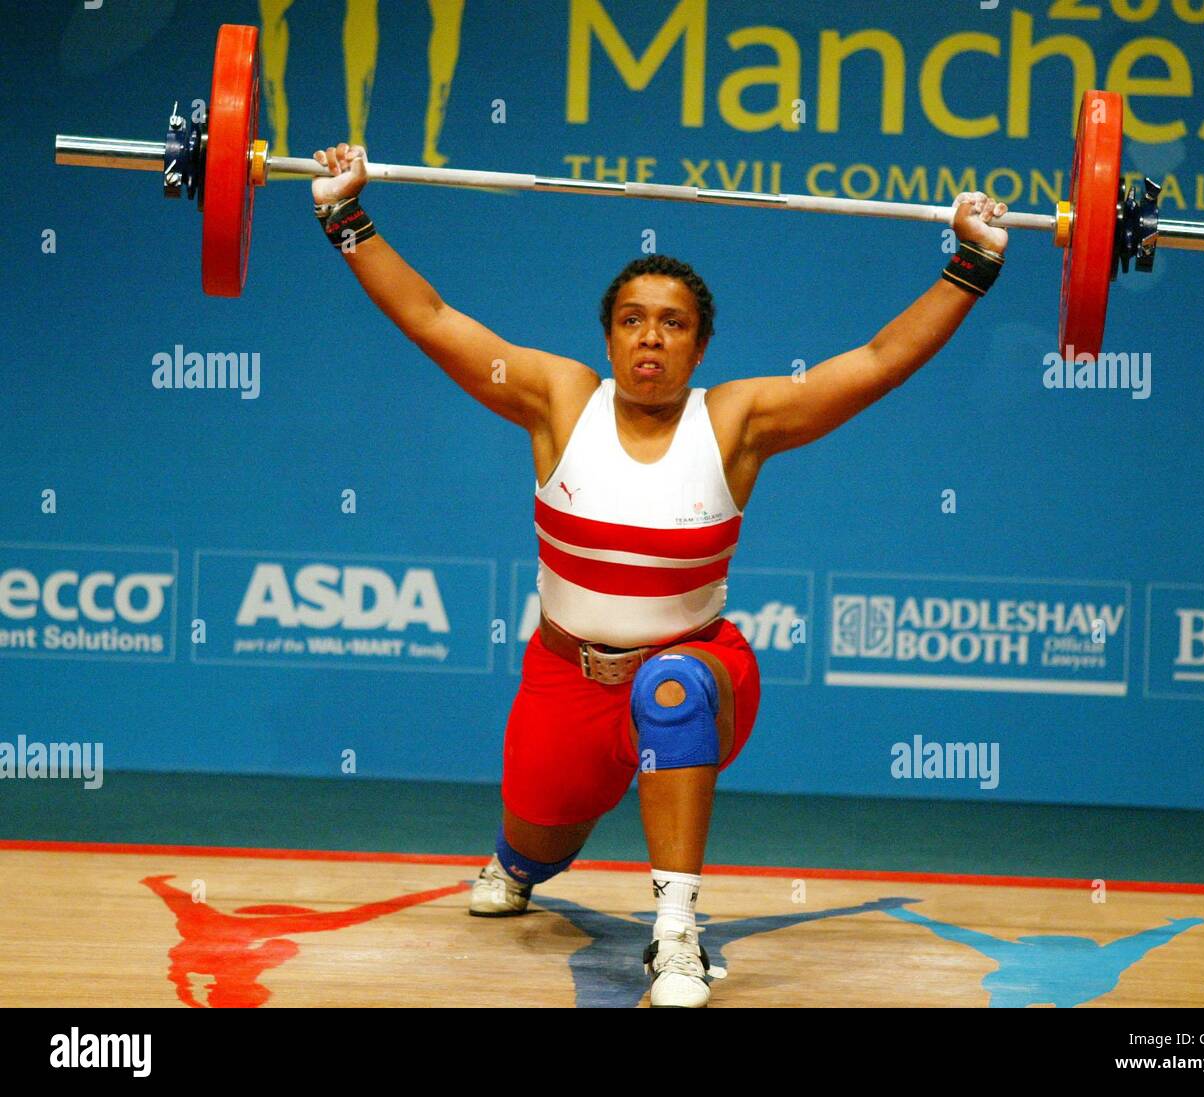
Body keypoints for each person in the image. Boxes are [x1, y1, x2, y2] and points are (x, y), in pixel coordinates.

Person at [310, 141, 1009, 1007]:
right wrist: (345, 214)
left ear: (701, 344)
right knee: (539, 841)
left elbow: (874, 363)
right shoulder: (558, 397)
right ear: (608, 335)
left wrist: (972, 262)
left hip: (697, 667)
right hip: (567, 678)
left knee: (671, 687)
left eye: (673, 322)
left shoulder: (738, 421)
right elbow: (432, 318)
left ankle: (674, 936)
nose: (651, 335)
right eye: (634, 318)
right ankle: (518, 860)